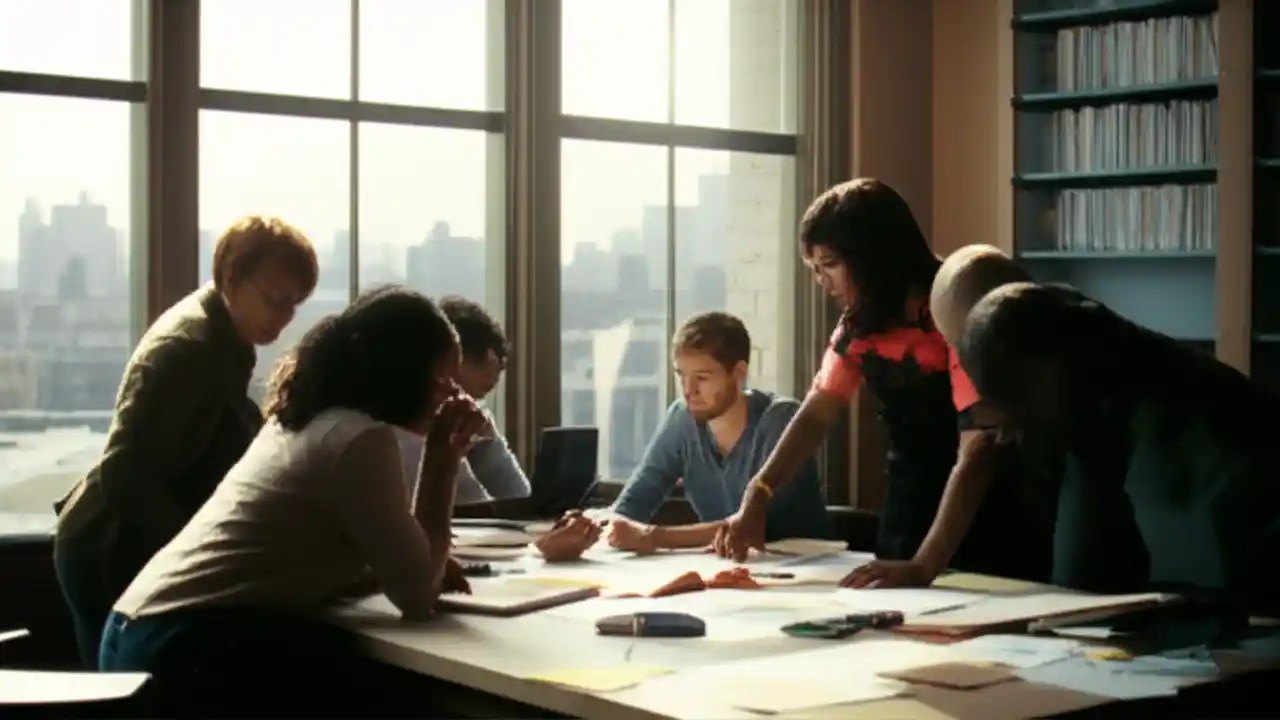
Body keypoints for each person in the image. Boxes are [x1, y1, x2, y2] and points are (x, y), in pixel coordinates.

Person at [98, 287, 485, 716]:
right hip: (188, 647)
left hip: (136, 634)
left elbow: (294, 555)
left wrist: (401, 565)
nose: (451, 395)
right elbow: (416, 596)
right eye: (442, 381)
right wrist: (444, 453)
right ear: (404, 372)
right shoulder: (358, 438)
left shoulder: (306, 419)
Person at [712, 180, 1048, 584]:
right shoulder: (859, 324)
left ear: (871, 257)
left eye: (830, 264)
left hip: (987, 503)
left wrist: (926, 564)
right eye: (815, 268)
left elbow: (979, 449)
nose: (822, 280)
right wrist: (758, 493)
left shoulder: (950, 311)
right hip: (909, 499)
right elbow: (818, 411)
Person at [53, 215, 318, 668]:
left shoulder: (222, 333)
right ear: (232, 278)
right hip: (111, 545)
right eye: (275, 300)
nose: (283, 318)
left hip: (126, 538)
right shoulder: (188, 348)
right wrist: (186, 550)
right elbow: (125, 474)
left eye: (294, 305)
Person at [958, 281, 1280, 614]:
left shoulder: (1181, 418)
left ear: (1046, 364)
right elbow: (1078, 589)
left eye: (1016, 400)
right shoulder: (1080, 403)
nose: (1007, 432)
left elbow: (1211, 589)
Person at [842, 244, 1055, 588]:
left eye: (962, 343)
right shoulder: (1003, 342)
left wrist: (924, 566)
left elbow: (980, 449)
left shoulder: (1061, 353)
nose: (960, 359)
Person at [607, 312, 830, 553]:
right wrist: (601, 527)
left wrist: (653, 536)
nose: (688, 390)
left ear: (738, 372)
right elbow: (634, 500)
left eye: (702, 378)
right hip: (728, 571)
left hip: (802, 569)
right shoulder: (682, 418)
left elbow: (754, 525)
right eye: (681, 375)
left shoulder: (781, 419)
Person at [395, 295, 530, 509]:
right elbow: (490, 507)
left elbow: (518, 501)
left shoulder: (469, 420)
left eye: (499, 365)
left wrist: (488, 444)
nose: (492, 375)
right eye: (479, 359)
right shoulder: (414, 433)